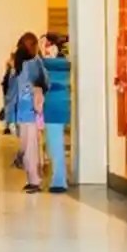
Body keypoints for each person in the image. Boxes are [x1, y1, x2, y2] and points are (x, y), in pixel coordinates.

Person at [9, 32, 48, 194]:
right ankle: (32, 178)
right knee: (28, 145)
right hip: (25, 111)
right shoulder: (28, 64)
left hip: (29, 111)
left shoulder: (31, 64)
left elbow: (41, 84)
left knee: (30, 146)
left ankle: (34, 180)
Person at [40, 34, 71, 193]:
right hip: (66, 103)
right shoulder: (68, 66)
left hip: (51, 106)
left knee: (54, 144)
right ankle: (61, 177)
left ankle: (59, 181)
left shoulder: (44, 66)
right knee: (57, 143)